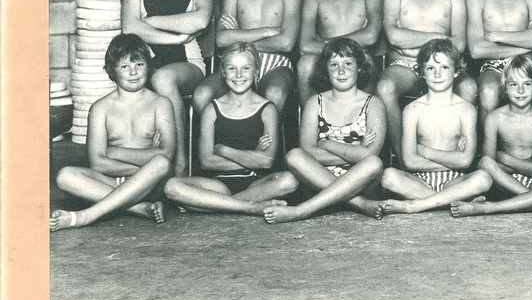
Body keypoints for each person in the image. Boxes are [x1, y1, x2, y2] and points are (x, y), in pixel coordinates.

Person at [50, 34, 173, 231]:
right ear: (113, 69)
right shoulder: (100, 108)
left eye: (139, 64)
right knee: (65, 176)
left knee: (161, 163)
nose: (133, 72)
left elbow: (166, 155)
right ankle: (138, 208)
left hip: (151, 185)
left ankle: (86, 216)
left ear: (148, 67)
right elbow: (97, 163)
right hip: (113, 181)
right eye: (125, 66)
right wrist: (145, 162)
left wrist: (114, 152)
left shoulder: (161, 103)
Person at [121, 0, 213, 176]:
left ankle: (180, 163)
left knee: (163, 79)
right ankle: (137, 167)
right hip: (146, 61)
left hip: (187, 63)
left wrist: (151, 21)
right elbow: (129, 27)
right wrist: (174, 36)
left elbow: (201, 18)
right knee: (133, 76)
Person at [163, 43, 298, 216]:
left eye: (246, 68)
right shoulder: (211, 109)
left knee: (289, 180)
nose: (239, 75)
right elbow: (206, 161)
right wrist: (252, 156)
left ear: (256, 71)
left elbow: (266, 162)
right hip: (219, 185)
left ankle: (214, 205)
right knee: (172, 186)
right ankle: (250, 207)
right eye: (232, 69)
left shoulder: (267, 109)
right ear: (223, 72)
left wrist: (222, 149)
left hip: (256, 184)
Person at [265, 38, 387, 222]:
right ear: (325, 70)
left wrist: (326, 144)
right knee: (294, 156)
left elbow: (370, 155)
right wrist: (356, 152)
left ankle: (301, 210)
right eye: (334, 65)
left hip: (360, 180)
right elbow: (306, 151)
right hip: (318, 177)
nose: (341, 71)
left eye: (348, 63)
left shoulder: (374, 104)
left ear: (360, 67)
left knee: (374, 164)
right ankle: (358, 203)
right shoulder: (316, 102)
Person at [378, 0, 476, 157]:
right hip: (405, 65)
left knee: (469, 88)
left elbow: (460, 44)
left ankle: (457, 158)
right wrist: (441, 38)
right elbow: (393, 37)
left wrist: (411, 41)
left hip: (445, 65)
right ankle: (405, 159)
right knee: (385, 88)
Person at [193, 0, 300, 118]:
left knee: (274, 93)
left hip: (274, 63)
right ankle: (220, 142)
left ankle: (266, 146)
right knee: (202, 95)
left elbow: (286, 43)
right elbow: (221, 39)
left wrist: (239, 38)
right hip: (235, 60)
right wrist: (269, 30)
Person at [450, 55, 532, 217]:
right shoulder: (494, 118)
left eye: (527, 84)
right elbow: (487, 164)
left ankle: (488, 208)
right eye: (514, 84)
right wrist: (528, 162)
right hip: (503, 181)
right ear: (504, 87)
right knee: (485, 163)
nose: (520, 90)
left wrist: (507, 159)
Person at [379, 39, 492, 214]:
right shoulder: (412, 110)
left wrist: (424, 151)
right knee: (388, 177)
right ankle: (449, 202)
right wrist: (453, 157)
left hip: (454, 180)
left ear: (456, 71)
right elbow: (409, 162)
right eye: (431, 68)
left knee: (484, 178)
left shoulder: (466, 110)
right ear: (422, 72)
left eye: (444, 68)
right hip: (420, 181)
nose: (437, 74)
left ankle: (417, 205)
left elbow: (466, 161)